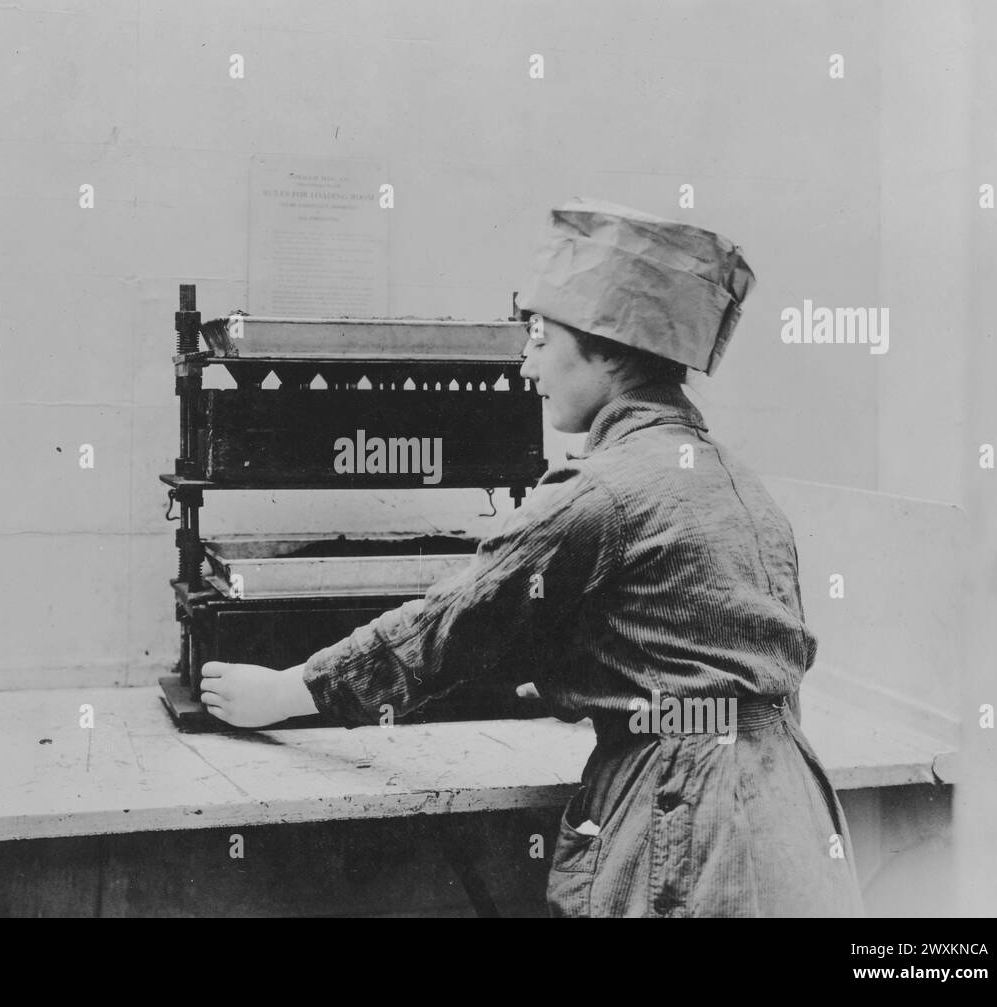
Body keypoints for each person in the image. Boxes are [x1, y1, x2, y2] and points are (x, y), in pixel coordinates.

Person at [200, 198, 865, 917]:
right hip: (793, 817)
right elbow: (689, 652)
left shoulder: (603, 490)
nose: (525, 363)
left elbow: (448, 625)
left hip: (687, 816)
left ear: (606, 347)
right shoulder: (741, 485)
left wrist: (287, 690)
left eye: (541, 339)